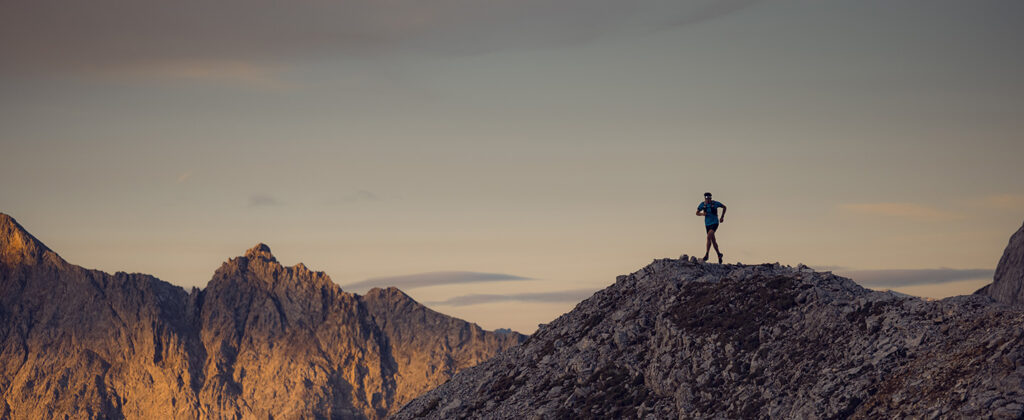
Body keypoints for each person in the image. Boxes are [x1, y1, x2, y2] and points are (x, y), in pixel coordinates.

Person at [696, 192, 726, 263]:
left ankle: (707, 254)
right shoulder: (702, 205)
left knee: (709, 236)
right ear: (705, 198)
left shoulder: (715, 203)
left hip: (715, 222)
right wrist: (702, 214)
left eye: (709, 198)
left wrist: (722, 217)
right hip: (707, 224)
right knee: (713, 240)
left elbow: (724, 207)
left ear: (711, 198)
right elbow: (697, 213)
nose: (708, 200)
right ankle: (719, 254)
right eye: (707, 198)